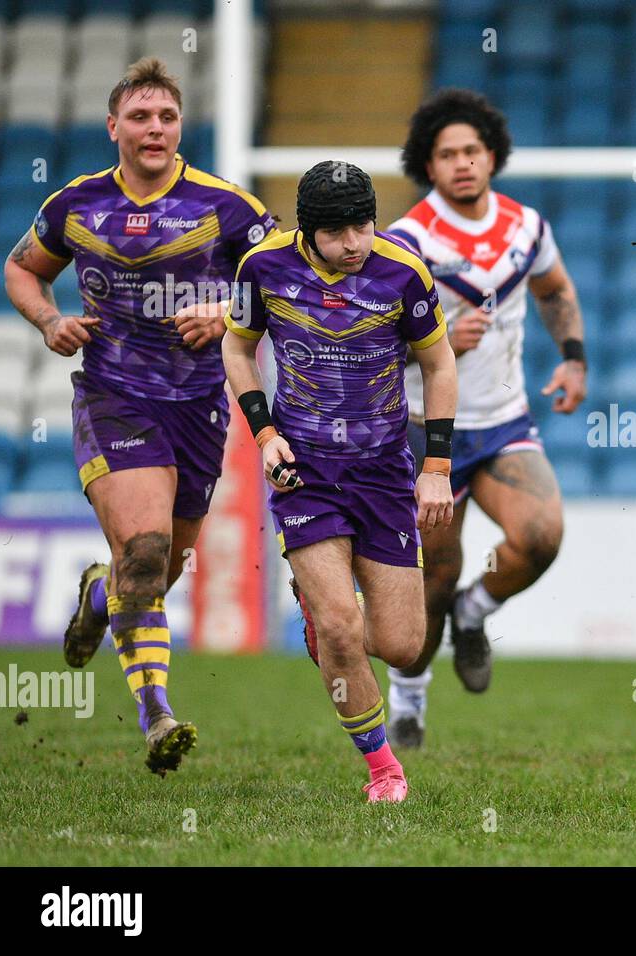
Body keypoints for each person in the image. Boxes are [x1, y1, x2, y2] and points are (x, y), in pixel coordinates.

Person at [1, 57, 277, 774]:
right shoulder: (75, 206)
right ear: (113, 126)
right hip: (114, 395)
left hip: (197, 407)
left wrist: (226, 310)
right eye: (141, 116)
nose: (155, 128)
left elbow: (287, 285)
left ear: (180, 126)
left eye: (167, 117)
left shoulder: (226, 207)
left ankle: (99, 594)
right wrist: (46, 320)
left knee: (159, 570)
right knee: (148, 554)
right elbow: (23, 268)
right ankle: (157, 717)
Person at [222, 160, 457, 802]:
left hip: (383, 470)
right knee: (341, 630)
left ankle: (328, 627)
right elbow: (237, 348)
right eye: (338, 231)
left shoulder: (401, 271)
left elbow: (438, 363)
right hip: (306, 470)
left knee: (404, 646)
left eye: (363, 224)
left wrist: (435, 467)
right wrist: (265, 435)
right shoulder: (263, 268)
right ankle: (384, 768)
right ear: (308, 230)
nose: (355, 242)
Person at [368, 88, 587, 747]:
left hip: (503, 421)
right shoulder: (403, 242)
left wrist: (573, 359)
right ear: (427, 166)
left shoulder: (527, 227)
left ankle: (476, 610)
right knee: (431, 574)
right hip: (421, 428)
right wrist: (433, 345)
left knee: (542, 536)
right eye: (446, 155)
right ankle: (409, 703)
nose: (462, 163)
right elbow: (366, 335)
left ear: (491, 156)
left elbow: (556, 291)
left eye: (472, 151)